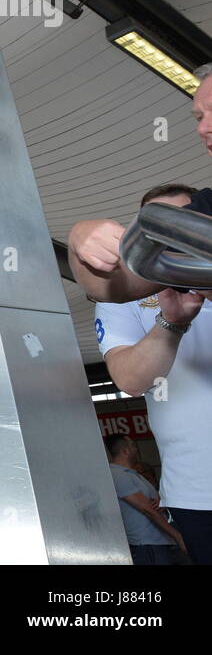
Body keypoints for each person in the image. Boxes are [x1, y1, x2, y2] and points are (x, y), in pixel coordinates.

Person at [94, 183, 212, 563]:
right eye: (158, 228)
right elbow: (130, 379)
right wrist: (171, 322)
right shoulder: (124, 299)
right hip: (198, 492)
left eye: (181, 224)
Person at [67, 67, 212, 304]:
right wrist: (80, 239)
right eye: (199, 118)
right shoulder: (204, 212)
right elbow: (119, 286)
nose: (202, 128)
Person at [104, 434, 186, 564]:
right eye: (133, 446)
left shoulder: (132, 474)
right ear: (125, 451)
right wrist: (178, 536)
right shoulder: (119, 475)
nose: (136, 449)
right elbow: (147, 510)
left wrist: (162, 503)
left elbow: (153, 504)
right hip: (146, 545)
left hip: (156, 542)